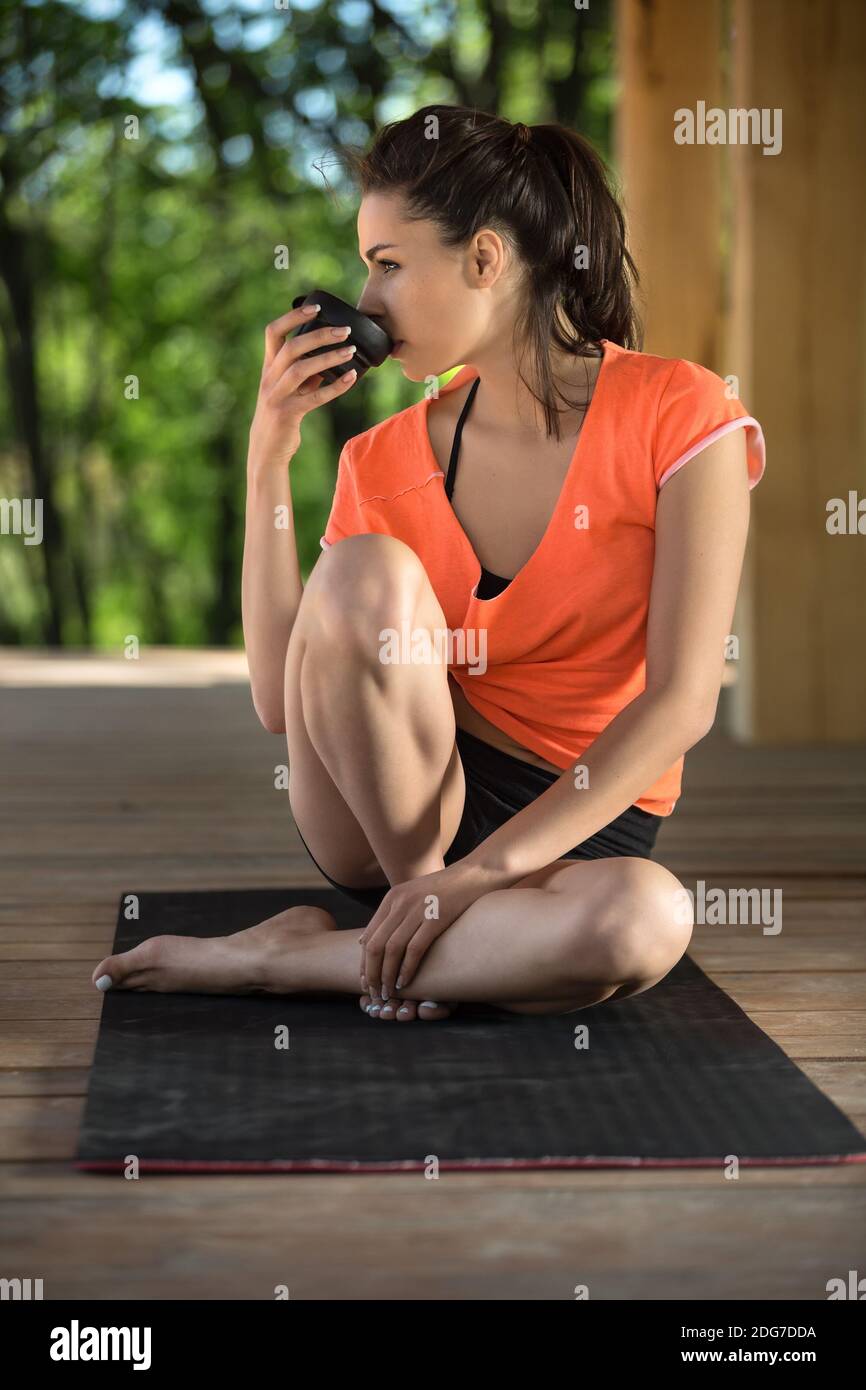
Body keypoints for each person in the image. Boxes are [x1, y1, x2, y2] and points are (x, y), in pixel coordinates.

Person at [92, 105, 765, 1022]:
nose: (365, 303)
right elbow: (274, 700)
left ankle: (298, 959)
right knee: (362, 571)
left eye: (390, 265)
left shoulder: (679, 413)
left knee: (644, 921)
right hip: (406, 801)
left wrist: (486, 876)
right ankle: (418, 918)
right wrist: (268, 454)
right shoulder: (380, 459)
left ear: (485, 260)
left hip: (585, 817)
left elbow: (683, 698)